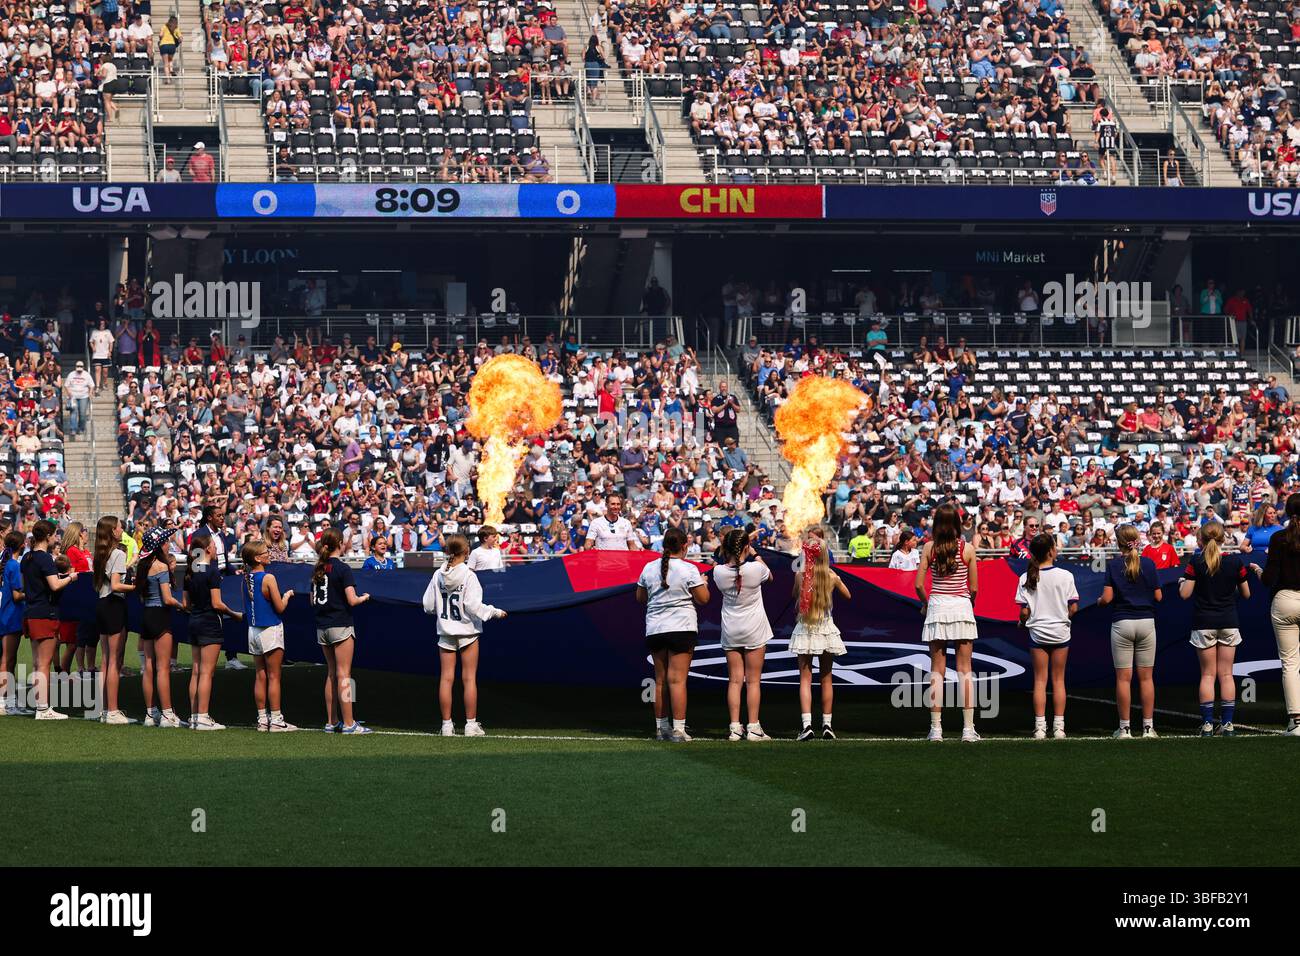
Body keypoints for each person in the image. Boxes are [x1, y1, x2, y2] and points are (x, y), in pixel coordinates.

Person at [422, 534, 507, 737]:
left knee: (446, 679)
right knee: (469, 679)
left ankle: (446, 725)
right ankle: (470, 725)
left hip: (445, 631)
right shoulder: (469, 575)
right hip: (467, 631)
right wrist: (494, 612)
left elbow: (427, 605)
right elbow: (473, 606)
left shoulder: (438, 574)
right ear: (466, 552)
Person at [1179, 522, 1255, 737]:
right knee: (1226, 675)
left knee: (1207, 675)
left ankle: (1207, 725)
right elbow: (1247, 594)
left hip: (1204, 622)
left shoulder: (1196, 560)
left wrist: (1181, 582)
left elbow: (1185, 594)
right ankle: (1228, 725)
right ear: (1224, 539)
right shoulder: (1234, 562)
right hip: (1229, 620)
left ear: (1201, 539)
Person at [636, 526, 708, 742]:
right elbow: (703, 599)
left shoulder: (649, 567)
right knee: (677, 681)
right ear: (685, 546)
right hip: (681, 627)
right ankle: (678, 730)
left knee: (660, 681)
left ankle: (661, 729)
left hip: (656, 629)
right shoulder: (689, 569)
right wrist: (704, 583)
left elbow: (640, 598)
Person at [916, 504, 980, 742]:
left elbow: (918, 584)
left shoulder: (929, 548)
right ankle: (968, 729)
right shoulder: (969, 548)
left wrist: (926, 603)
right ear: (956, 523)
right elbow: (973, 588)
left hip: (937, 607)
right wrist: (967, 603)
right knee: (965, 669)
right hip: (961, 606)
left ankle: (936, 729)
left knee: (937, 671)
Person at [1098, 525, 1163, 738]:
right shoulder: (1148, 563)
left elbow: (1106, 598)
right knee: (1146, 678)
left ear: (1118, 542)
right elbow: (1159, 596)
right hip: (1146, 622)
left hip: (1122, 622)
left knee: (1123, 679)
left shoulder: (1114, 565)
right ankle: (1148, 727)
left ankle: (1125, 727)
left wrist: (1098, 602)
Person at [1016, 533, 1079, 739]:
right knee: (1058, 680)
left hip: (1038, 633)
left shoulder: (1025, 577)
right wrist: (1062, 616)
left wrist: (1022, 622)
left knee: (1040, 681)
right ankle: (1059, 727)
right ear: (1051, 551)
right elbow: (1074, 607)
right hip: (1060, 632)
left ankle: (1040, 727)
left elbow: (1024, 612)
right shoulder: (1066, 575)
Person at [711, 527, 772, 742]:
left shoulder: (718, 572)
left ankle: (735, 728)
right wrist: (754, 552)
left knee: (735, 681)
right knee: (753, 681)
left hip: (731, 629)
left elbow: (722, 559)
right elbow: (769, 575)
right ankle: (753, 727)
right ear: (746, 547)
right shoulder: (756, 568)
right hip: (754, 628)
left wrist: (741, 547)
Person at [791, 528, 851, 741]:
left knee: (805, 679)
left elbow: (794, 595)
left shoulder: (800, 575)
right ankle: (827, 725)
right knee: (827, 678)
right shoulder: (832, 576)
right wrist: (835, 581)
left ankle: (807, 726)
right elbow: (848, 596)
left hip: (806, 628)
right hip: (826, 628)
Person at [311, 529, 372, 734]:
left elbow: (313, 600)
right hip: (341, 624)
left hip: (322, 626)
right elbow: (352, 600)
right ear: (339, 542)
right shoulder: (343, 568)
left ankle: (332, 721)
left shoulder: (318, 568)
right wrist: (365, 597)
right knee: (345, 674)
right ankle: (349, 723)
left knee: (331, 674)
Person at [184, 532, 242, 730]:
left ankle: (194, 716)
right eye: (215, 546)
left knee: (196, 671)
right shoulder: (212, 572)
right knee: (207, 673)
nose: (217, 549)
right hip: (209, 622)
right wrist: (234, 614)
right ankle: (203, 716)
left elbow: (186, 604)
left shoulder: (190, 572)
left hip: (194, 621)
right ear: (208, 549)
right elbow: (217, 603)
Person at [23, 520, 79, 719]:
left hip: (31, 612)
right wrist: (71, 578)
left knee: (39, 663)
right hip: (45, 613)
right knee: (44, 663)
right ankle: (43, 708)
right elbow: (55, 585)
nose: (57, 537)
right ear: (47, 536)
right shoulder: (44, 558)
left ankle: (41, 706)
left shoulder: (27, 558)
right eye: (55, 534)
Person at [241, 540, 296, 732]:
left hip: (253, 630)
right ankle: (277, 720)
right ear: (257, 558)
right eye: (265, 552)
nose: (269, 554)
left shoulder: (245, 578)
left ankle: (262, 719)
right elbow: (279, 607)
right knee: (274, 676)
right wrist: (287, 595)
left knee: (260, 675)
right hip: (270, 629)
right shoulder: (268, 578)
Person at [136, 527, 184, 728]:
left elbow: (140, 595)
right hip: (160, 615)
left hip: (146, 615)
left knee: (148, 667)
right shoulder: (161, 567)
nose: (168, 544)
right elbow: (167, 598)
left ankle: (150, 713)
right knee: (163, 668)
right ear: (159, 545)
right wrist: (182, 605)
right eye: (165, 541)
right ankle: (167, 714)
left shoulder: (142, 565)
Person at [1261, 492, 1300, 736]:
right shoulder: (1280, 538)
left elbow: (1267, 579)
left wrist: (1257, 570)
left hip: (1284, 600)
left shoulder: (1278, 538)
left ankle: (1296, 722)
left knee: (1290, 664)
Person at [92, 515, 132, 724]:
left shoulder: (100, 553)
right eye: (118, 527)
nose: (120, 530)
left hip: (102, 604)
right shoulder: (116, 553)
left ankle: (103, 709)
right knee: (114, 661)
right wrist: (136, 587)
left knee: (106, 660)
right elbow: (116, 585)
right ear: (112, 531)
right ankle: (113, 711)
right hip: (113, 604)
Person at [55, 522, 91, 675]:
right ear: (77, 533)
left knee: (76, 640)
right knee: (71, 642)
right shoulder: (72, 551)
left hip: (83, 597)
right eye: (84, 530)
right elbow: (70, 575)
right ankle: (63, 673)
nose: (86, 533)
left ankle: (64, 672)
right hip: (74, 598)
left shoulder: (81, 550)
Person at [0, 531, 28, 716]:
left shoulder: (7, 564)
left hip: (7, 615)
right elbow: (18, 595)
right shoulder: (13, 565)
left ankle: (9, 702)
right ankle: (3, 702)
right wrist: (34, 593)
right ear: (21, 546)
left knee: (9, 659)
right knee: (7, 660)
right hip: (11, 616)